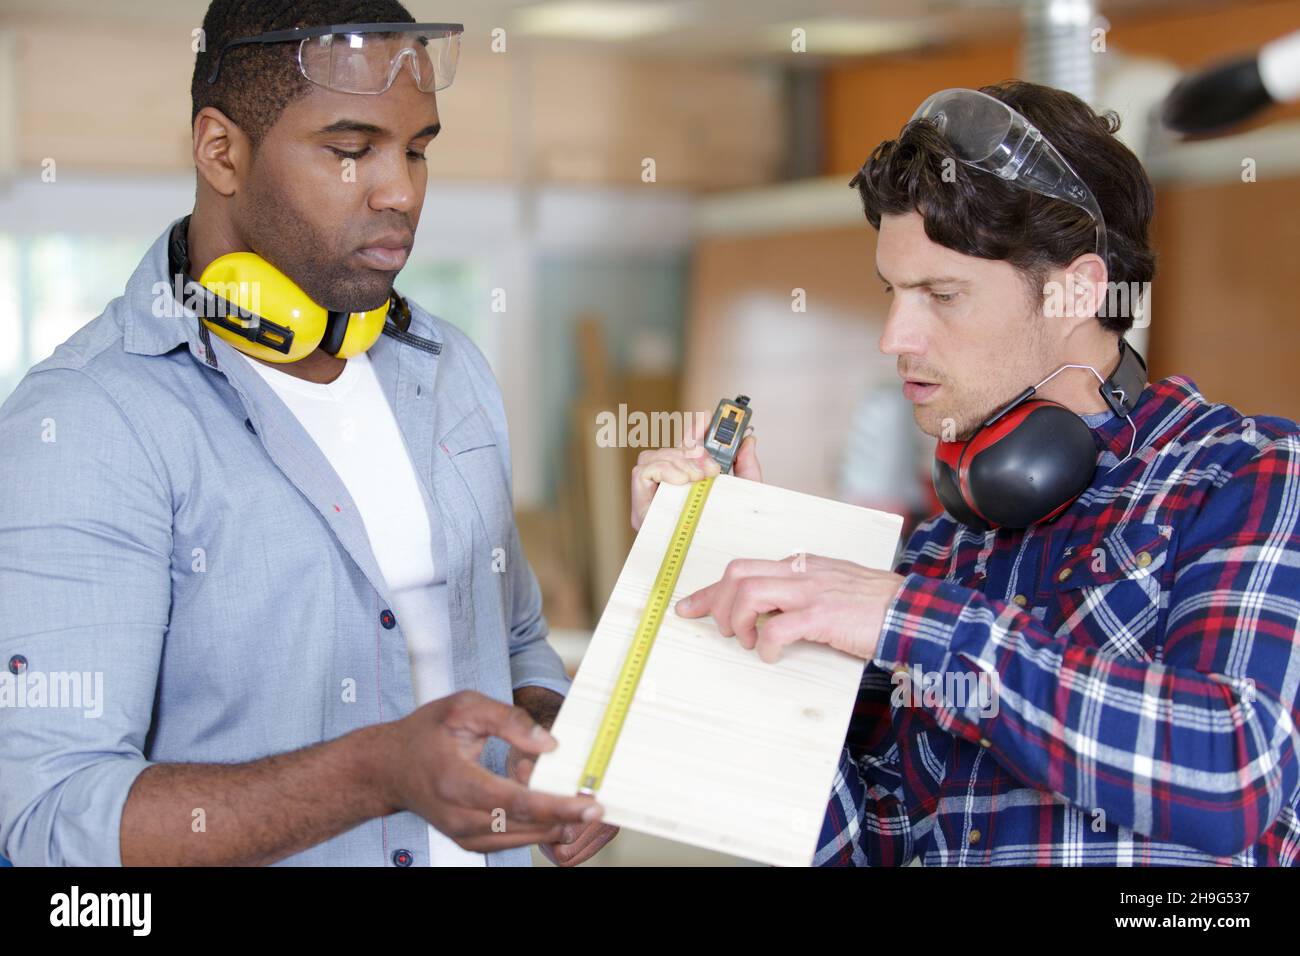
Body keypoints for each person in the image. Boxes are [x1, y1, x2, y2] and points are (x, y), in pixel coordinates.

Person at [0, 0, 616, 867]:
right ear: (222, 151)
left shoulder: (450, 370)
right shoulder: (91, 423)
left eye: (417, 149)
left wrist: (558, 739)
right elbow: (52, 824)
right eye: (350, 149)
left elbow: (511, 639)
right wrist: (374, 774)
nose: (400, 190)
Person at [633, 81, 1300, 865]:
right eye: (893, 292)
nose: (894, 336)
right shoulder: (944, 550)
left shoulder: (1244, 476)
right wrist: (715, 571)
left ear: (1077, 289)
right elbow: (863, 845)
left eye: (941, 294)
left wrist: (911, 620)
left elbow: (1231, 775)